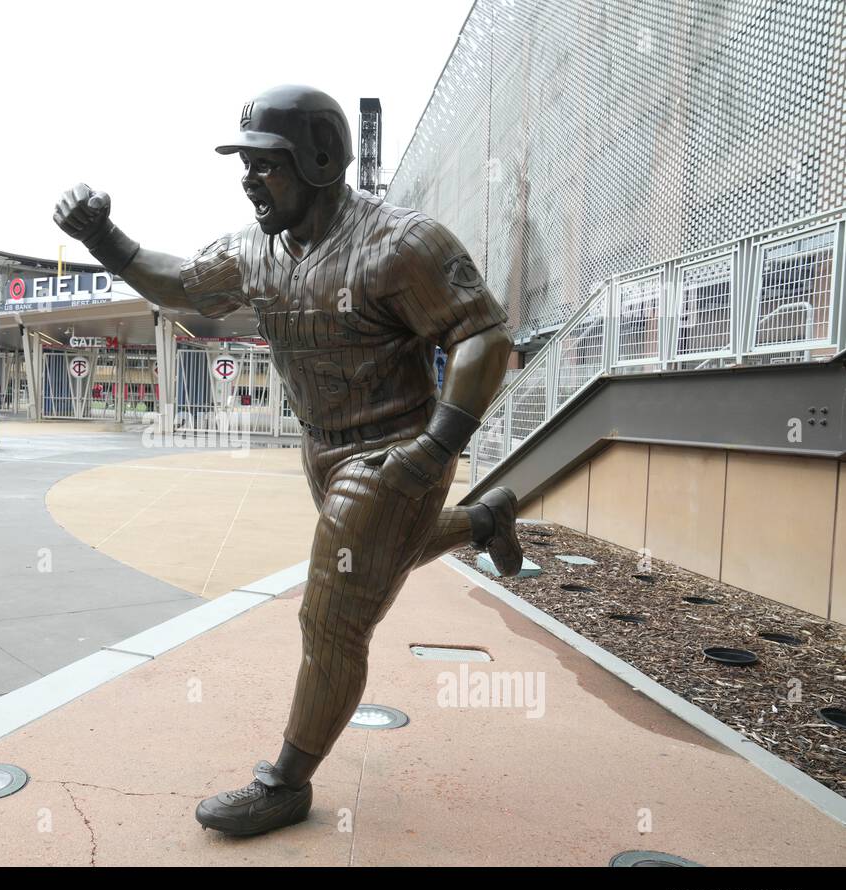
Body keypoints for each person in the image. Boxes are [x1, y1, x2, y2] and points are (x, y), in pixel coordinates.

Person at [54, 85, 523, 837]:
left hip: (395, 453)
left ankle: (286, 782)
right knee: (377, 561)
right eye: (244, 164)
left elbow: (483, 336)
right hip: (323, 449)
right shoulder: (253, 250)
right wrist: (104, 238)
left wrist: (434, 448)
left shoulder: (401, 243)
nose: (248, 179)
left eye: (265, 165)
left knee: (331, 619)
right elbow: (179, 285)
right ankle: (483, 520)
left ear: (320, 160)